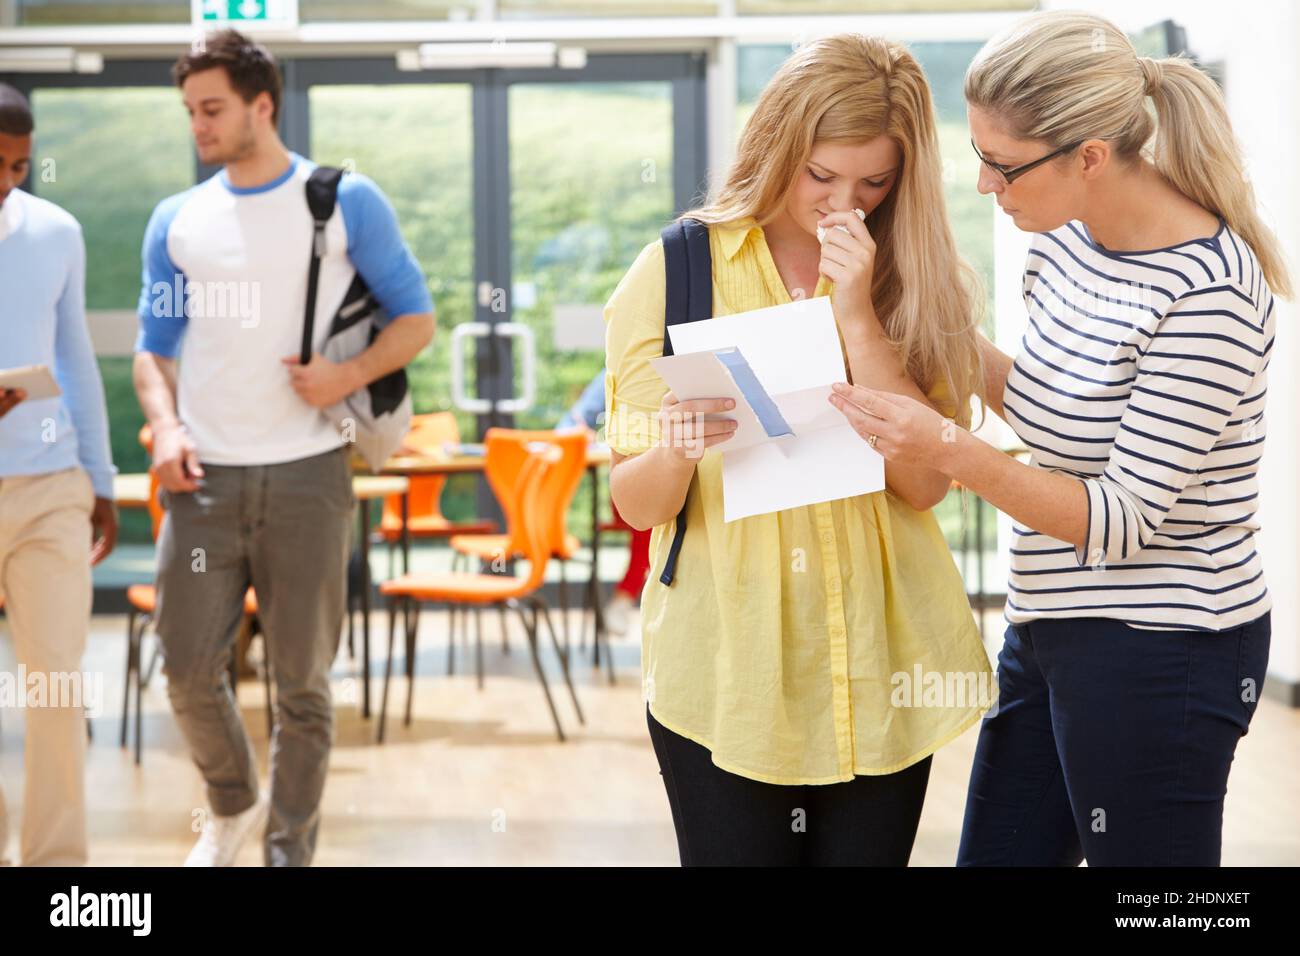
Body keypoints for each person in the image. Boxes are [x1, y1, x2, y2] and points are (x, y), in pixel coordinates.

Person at [829, 10, 1289, 866]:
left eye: (1002, 167)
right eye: (978, 157)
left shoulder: (1210, 295)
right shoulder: (1067, 242)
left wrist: (948, 450)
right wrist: (910, 310)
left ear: (1087, 156)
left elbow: (1118, 520)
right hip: (1048, 623)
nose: (983, 188)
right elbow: (1049, 408)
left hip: (1164, 647)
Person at [604, 35, 991, 866]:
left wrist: (856, 315)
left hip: (882, 662)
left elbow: (924, 484)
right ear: (777, 144)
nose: (841, 202)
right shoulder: (674, 270)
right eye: (820, 175)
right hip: (728, 668)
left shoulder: (917, 276)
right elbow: (636, 505)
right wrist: (676, 449)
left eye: (873, 182)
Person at [134, 31, 434, 866]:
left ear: (261, 105)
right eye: (190, 110)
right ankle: (233, 802)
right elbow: (153, 353)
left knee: (304, 688)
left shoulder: (344, 203)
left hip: (310, 476)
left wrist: (346, 378)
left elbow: (417, 319)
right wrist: (164, 424)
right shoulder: (178, 220)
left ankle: (284, 853)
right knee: (189, 670)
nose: (198, 124)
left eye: (213, 108)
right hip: (203, 483)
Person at [0, 83, 117, 866]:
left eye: (18, 165)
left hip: (49, 488)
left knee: (54, 686)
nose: (7, 180)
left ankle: (54, 873)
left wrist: (100, 477)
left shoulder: (55, 232)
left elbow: (74, 357)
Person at [557, 369, 651, 635]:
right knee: (652, 520)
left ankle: (626, 599)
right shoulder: (619, 370)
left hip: (666, 487)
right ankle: (625, 598)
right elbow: (569, 426)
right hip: (632, 489)